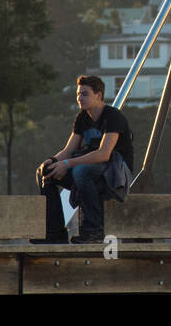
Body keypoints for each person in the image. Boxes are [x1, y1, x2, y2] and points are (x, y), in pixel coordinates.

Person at [36, 75, 135, 243]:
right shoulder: (83, 118)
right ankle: (55, 233)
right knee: (46, 173)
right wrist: (51, 161)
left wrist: (67, 164)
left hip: (116, 172)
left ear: (99, 95)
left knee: (81, 171)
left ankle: (94, 231)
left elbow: (104, 154)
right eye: (78, 94)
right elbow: (68, 150)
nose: (80, 98)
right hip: (91, 169)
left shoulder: (113, 117)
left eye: (85, 94)